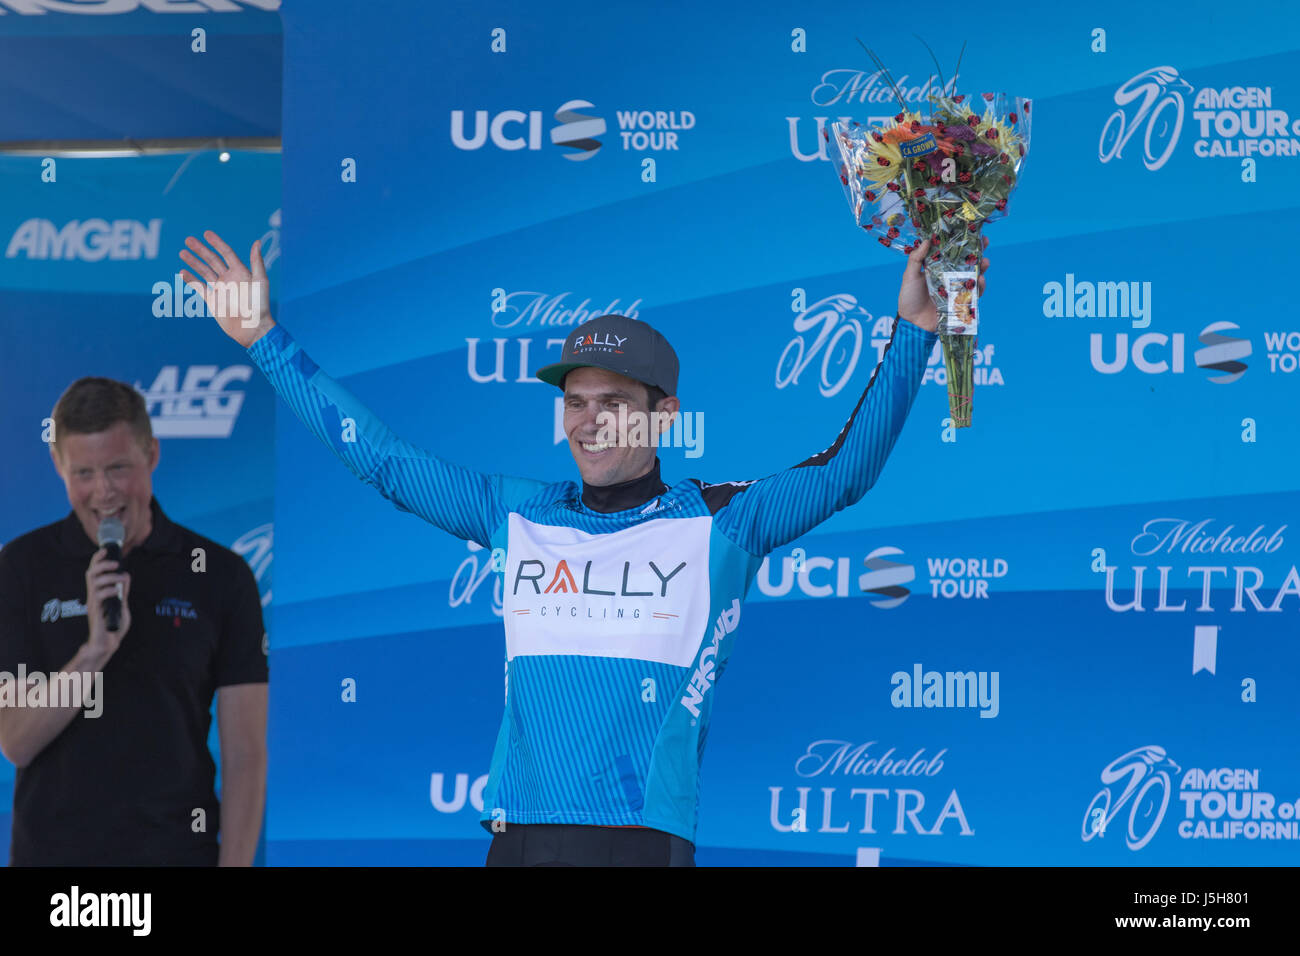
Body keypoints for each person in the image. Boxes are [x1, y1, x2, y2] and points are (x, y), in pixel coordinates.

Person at [180, 229, 988, 867]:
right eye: (574, 401)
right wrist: (264, 339)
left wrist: (915, 329)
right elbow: (383, 459)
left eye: (611, 402)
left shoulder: (722, 521)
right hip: (518, 835)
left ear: (663, 415)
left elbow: (844, 470)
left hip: (640, 838)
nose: (586, 420)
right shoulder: (519, 512)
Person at [0, 377, 269, 866]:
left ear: (152, 455)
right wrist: (94, 651)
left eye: (118, 468)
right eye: (83, 472)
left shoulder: (219, 574)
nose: (103, 492)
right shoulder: (20, 568)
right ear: (58, 465)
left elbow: (246, 755)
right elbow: (15, 740)